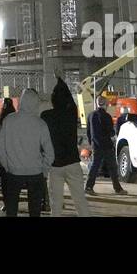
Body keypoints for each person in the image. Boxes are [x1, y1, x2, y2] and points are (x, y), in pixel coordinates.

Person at [0, 88, 54, 217]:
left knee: (11, 208)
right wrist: (44, 170)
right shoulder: (40, 123)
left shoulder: (9, 120)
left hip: (13, 172)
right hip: (35, 172)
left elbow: (1, 147)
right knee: (35, 209)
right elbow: (50, 152)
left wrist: (7, 166)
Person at [40, 82, 90, 217]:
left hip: (55, 165)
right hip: (73, 163)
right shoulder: (71, 114)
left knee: (56, 205)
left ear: (53, 100)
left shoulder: (46, 116)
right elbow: (71, 102)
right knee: (80, 201)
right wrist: (61, 81)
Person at [84, 96, 126, 196]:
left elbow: (88, 132)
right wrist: (114, 141)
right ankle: (118, 189)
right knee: (112, 168)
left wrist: (92, 143)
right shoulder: (107, 116)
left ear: (96, 103)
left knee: (94, 167)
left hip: (96, 146)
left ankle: (88, 187)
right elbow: (111, 132)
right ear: (105, 105)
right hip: (107, 146)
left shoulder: (90, 115)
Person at [0, 96, 16, 201]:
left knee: (3, 177)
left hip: (1, 152)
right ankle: (13, 198)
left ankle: (6, 201)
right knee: (14, 178)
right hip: (14, 152)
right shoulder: (16, 119)